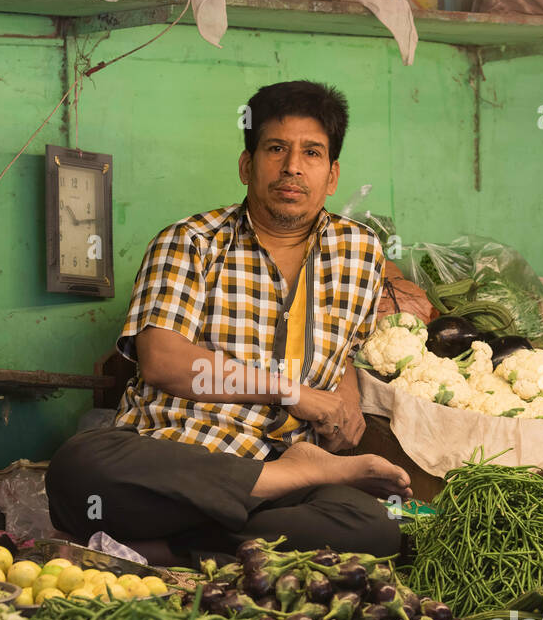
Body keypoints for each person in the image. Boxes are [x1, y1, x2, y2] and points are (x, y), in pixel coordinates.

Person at [46, 80, 412, 564]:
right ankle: (244, 533)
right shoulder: (191, 242)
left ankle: (173, 548)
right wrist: (294, 394)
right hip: (179, 454)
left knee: (377, 528)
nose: (292, 168)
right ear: (247, 164)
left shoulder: (361, 253)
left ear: (332, 174)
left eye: (312, 153)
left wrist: (343, 402)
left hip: (274, 462)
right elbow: (163, 360)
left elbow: (344, 352)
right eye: (276, 148)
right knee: (79, 470)